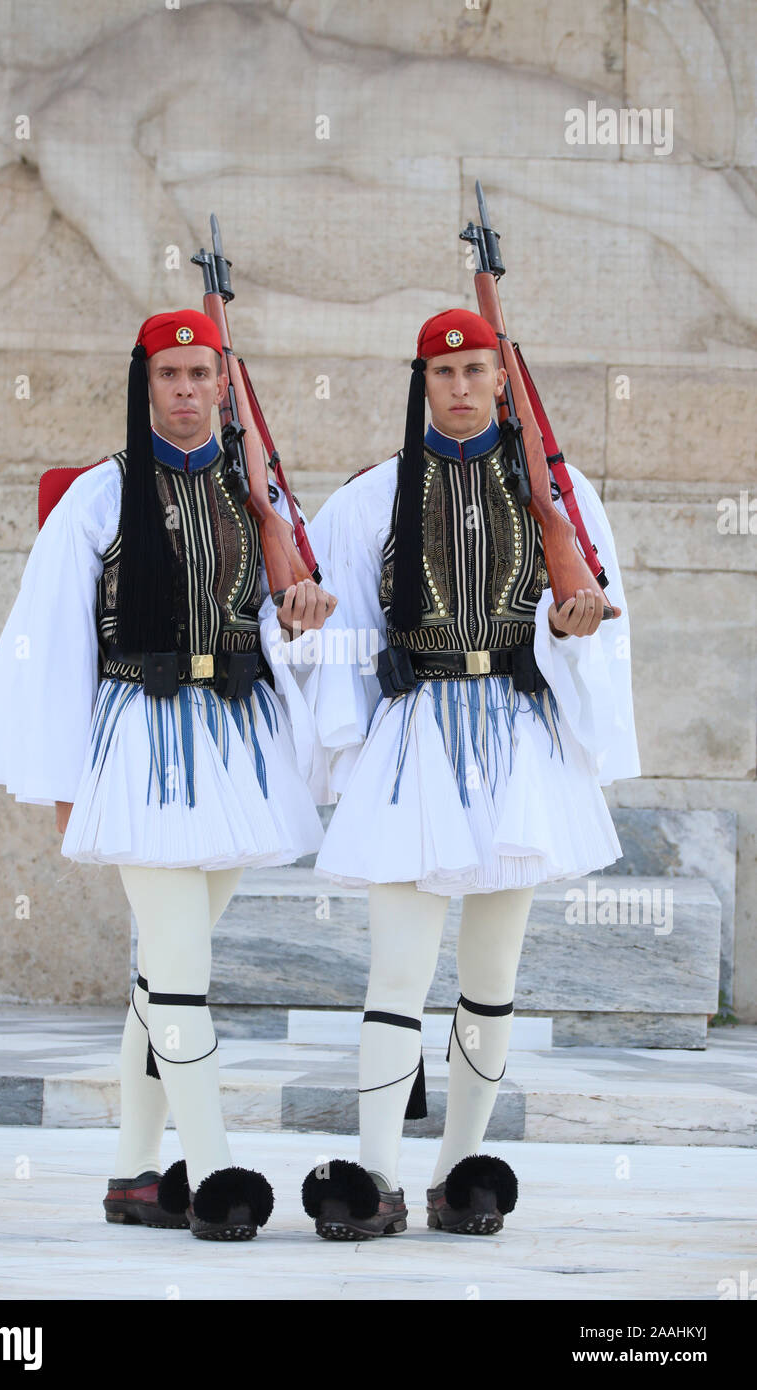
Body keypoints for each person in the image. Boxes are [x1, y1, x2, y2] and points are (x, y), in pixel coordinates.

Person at [0, 308, 336, 1240]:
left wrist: (305, 613)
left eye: (200, 374)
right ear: (146, 384)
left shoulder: (263, 499)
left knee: (163, 975)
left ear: (222, 384)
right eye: (167, 375)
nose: (184, 390)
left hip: (239, 743)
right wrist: (65, 783)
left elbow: (293, 627)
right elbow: (48, 650)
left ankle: (133, 1174)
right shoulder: (100, 494)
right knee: (181, 975)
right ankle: (213, 1177)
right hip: (143, 739)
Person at [286, 308, 640, 1238]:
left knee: (491, 974)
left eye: (477, 369)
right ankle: (371, 1178)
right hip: (417, 745)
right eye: (443, 374)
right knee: (395, 973)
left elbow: (600, 616)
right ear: (423, 383)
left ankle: (460, 1172)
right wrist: (309, 624)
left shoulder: (558, 492)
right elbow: (339, 626)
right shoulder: (374, 496)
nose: (459, 386)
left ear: (501, 378)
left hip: (516, 745)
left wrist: (571, 629)